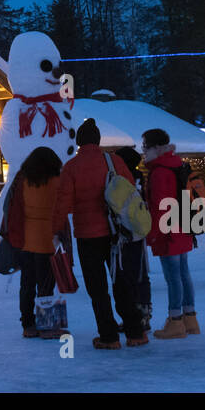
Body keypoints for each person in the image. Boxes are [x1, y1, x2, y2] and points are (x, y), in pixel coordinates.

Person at [52, 118, 140, 350]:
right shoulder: (114, 161)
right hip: (116, 234)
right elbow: (130, 190)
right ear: (98, 140)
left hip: (87, 235)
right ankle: (135, 332)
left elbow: (63, 204)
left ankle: (109, 336)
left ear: (79, 141)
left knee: (98, 288)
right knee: (122, 281)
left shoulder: (72, 167)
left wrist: (56, 229)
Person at [6, 146, 68, 337]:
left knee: (27, 284)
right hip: (48, 238)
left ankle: (28, 325)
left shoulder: (23, 179)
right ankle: (48, 325)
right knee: (46, 283)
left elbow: (14, 207)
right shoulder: (57, 181)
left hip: (26, 239)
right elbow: (62, 208)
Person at [143, 129, 199, 338]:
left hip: (168, 230)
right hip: (184, 226)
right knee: (183, 274)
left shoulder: (159, 171)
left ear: (156, 148)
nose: (144, 151)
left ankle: (175, 322)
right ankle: (190, 319)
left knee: (173, 277)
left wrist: (155, 234)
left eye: (146, 146)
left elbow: (159, 207)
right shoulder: (177, 165)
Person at [113, 146, 153, 344]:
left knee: (129, 274)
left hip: (127, 232)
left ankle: (136, 316)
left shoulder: (123, 179)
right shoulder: (139, 177)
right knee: (140, 273)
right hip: (140, 229)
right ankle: (142, 314)